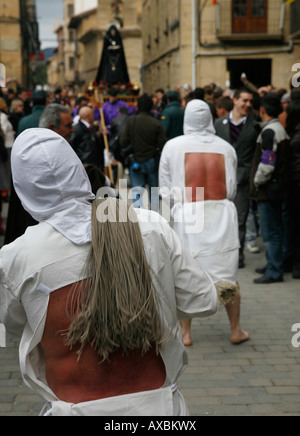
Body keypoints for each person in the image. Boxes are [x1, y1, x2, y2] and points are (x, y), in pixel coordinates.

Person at [0, 127, 218, 416]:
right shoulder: (149, 226)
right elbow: (203, 300)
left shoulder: (16, 258)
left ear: (23, 188)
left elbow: (15, 325)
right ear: (76, 169)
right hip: (159, 410)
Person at [159, 99, 250, 346]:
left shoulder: (172, 147)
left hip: (189, 216)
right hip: (221, 214)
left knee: (185, 274)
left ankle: (186, 333)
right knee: (228, 274)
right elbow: (232, 188)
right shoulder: (226, 148)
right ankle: (235, 329)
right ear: (209, 118)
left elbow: (165, 191)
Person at [5, 104, 75, 245]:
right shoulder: (37, 161)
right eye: (68, 126)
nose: (72, 130)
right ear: (51, 127)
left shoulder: (62, 153)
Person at [215, 87, 259, 268]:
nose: (248, 105)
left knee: (240, 220)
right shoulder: (219, 124)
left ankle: (238, 257)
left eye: (250, 102)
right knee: (220, 219)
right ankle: (220, 254)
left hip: (243, 179)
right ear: (234, 100)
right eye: (244, 101)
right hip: (220, 179)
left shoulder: (255, 125)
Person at [250, 93, 289, 284]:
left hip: (268, 190)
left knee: (270, 232)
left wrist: (257, 181)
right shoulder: (278, 129)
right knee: (275, 230)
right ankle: (273, 264)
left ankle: (274, 270)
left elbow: (267, 163)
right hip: (277, 188)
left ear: (262, 110)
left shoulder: (269, 132)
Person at [120, 94, 167, 210]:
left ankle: (139, 217)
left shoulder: (131, 121)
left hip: (135, 159)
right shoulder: (156, 123)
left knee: (137, 190)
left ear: (138, 107)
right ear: (151, 107)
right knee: (154, 190)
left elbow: (123, 142)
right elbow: (162, 144)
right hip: (152, 160)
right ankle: (155, 216)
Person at [281, 98, 300, 279]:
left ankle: (295, 263)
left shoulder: (296, 136)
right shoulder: (293, 133)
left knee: (294, 226)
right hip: (293, 184)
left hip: (296, 184)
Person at [70, 105, 104, 170]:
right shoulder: (77, 129)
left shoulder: (91, 128)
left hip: (94, 165)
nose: (94, 116)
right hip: (85, 166)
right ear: (89, 115)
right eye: (92, 114)